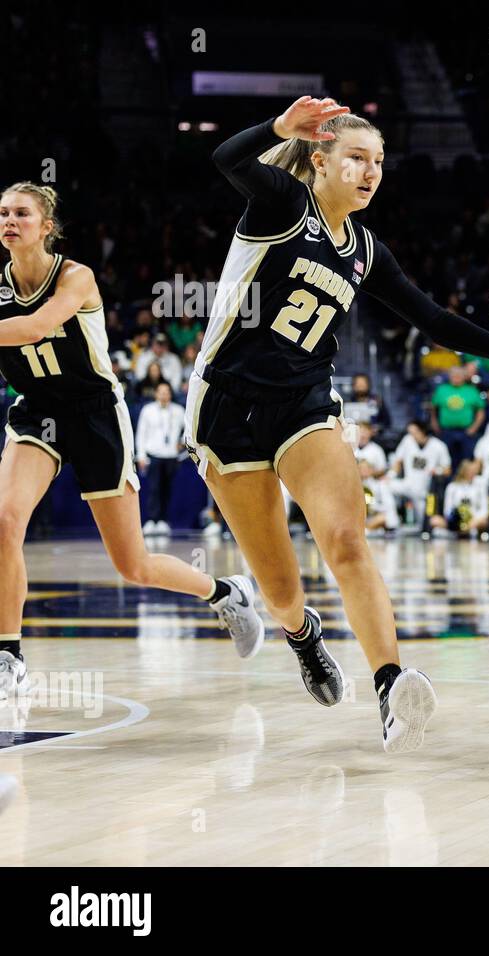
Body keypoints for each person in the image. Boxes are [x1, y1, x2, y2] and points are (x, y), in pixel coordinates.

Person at [186, 97, 489, 752]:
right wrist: (279, 128)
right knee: (282, 590)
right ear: (320, 161)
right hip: (225, 407)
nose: (371, 172)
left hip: (304, 405)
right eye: (357, 159)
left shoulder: (366, 250)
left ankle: (389, 685)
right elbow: (225, 158)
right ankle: (301, 634)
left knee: (347, 539)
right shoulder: (283, 205)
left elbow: (434, 321)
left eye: (378, 162)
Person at [0, 181, 264, 701]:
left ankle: (225, 592)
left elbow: (34, 327)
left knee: (133, 564)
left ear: (46, 227)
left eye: (22, 214)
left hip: (96, 416)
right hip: (37, 415)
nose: (10, 221)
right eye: (3, 213)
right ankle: (8, 656)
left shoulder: (76, 277)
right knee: (5, 522)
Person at [134, 380, 187, 534]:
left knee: (167, 489)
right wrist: (141, 455)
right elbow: (141, 434)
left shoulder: (178, 410)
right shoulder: (148, 410)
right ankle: (152, 520)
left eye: (167, 392)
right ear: (156, 393)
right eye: (161, 392)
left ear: (170, 394)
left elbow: (188, 428)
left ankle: (163, 520)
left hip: (171, 455)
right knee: (154, 488)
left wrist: (182, 442)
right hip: (154, 455)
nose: (164, 395)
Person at [388, 420, 451, 530]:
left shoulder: (438, 446)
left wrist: (437, 471)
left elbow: (447, 470)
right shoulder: (407, 440)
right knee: (384, 485)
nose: (412, 435)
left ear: (423, 431)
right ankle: (392, 519)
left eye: (415, 432)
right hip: (407, 485)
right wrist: (390, 475)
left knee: (426, 526)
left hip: (424, 493)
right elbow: (398, 461)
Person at [430, 364, 485, 466]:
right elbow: (433, 408)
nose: (455, 378)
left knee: (466, 460)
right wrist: (434, 422)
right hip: (446, 431)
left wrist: (474, 428)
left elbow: (481, 411)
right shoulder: (442, 389)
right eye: (453, 375)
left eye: (458, 376)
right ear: (449, 376)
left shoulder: (471, 390)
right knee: (445, 461)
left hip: (466, 431)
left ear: (464, 377)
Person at [353, 422, 398, 533]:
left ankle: (366, 529)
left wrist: (370, 474)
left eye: (365, 431)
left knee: (386, 516)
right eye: (360, 431)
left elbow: (382, 470)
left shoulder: (376, 450)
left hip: (372, 491)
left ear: (370, 433)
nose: (362, 434)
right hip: (354, 485)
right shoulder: (349, 448)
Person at [433, 460, 489, 537]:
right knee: (435, 520)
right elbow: (447, 509)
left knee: (483, 521)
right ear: (463, 471)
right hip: (455, 521)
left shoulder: (480, 486)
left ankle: (466, 531)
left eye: (473, 471)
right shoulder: (452, 487)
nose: (472, 473)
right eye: (469, 471)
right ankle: (459, 532)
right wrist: (456, 517)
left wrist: (473, 519)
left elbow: (484, 509)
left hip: (473, 520)